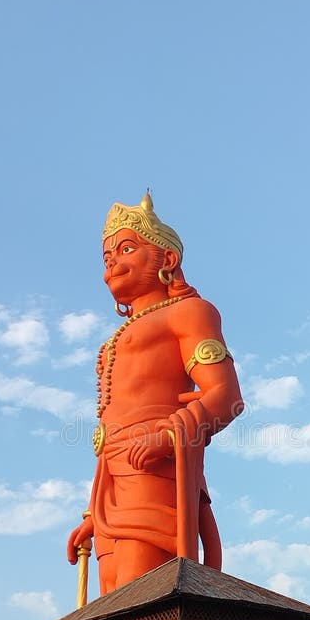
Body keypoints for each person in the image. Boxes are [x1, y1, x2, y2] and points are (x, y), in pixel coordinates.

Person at [67, 193, 243, 594]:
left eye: (127, 248)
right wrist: (94, 515)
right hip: (112, 482)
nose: (111, 259)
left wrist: (167, 436)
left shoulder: (190, 313)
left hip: (154, 474)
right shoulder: (120, 336)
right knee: (110, 617)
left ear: (167, 260)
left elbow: (225, 396)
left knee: (141, 605)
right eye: (107, 254)